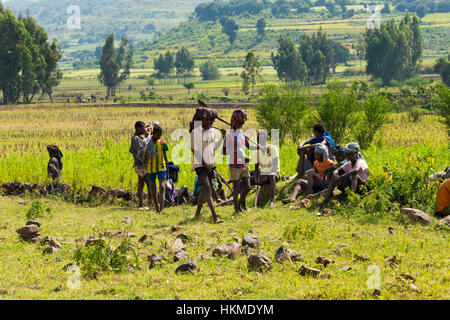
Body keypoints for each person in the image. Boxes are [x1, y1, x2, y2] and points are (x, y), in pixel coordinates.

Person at [191, 110, 226, 223]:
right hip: (200, 164)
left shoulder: (213, 132)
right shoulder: (195, 132)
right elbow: (194, 150)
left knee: (204, 190)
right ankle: (215, 217)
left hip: (210, 164)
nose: (211, 122)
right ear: (202, 119)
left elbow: (216, 147)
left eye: (212, 120)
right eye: (209, 119)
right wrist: (205, 164)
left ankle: (197, 213)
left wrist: (223, 137)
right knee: (208, 188)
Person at [223, 110, 254, 214]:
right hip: (234, 166)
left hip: (244, 165)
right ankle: (237, 209)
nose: (243, 124)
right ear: (235, 122)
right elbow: (224, 151)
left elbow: (249, 146)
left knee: (248, 187)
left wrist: (262, 147)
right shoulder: (229, 135)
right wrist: (238, 153)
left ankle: (242, 203)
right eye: (241, 122)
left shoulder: (242, 134)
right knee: (236, 189)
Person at [142, 124, 169, 213]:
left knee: (162, 187)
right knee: (153, 188)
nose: (159, 137)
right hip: (150, 168)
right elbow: (143, 155)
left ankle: (161, 208)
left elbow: (165, 157)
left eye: (160, 135)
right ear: (153, 133)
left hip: (161, 167)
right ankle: (156, 206)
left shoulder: (162, 143)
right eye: (157, 134)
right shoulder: (147, 143)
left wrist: (168, 171)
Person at [255, 130, 280, 209]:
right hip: (263, 175)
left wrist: (266, 176)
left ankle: (272, 201)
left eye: (262, 139)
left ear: (266, 139)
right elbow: (256, 167)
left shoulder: (273, 149)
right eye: (259, 139)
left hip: (274, 173)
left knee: (271, 176)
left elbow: (275, 166)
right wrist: (256, 178)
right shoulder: (257, 151)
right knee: (247, 179)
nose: (260, 141)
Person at [129, 121, 151, 209]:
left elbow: (131, 150)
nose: (144, 129)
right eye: (142, 128)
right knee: (146, 183)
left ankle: (143, 203)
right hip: (140, 164)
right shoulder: (136, 139)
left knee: (144, 183)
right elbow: (140, 150)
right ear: (137, 128)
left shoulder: (137, 138)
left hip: (139, 163)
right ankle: (145, 203)